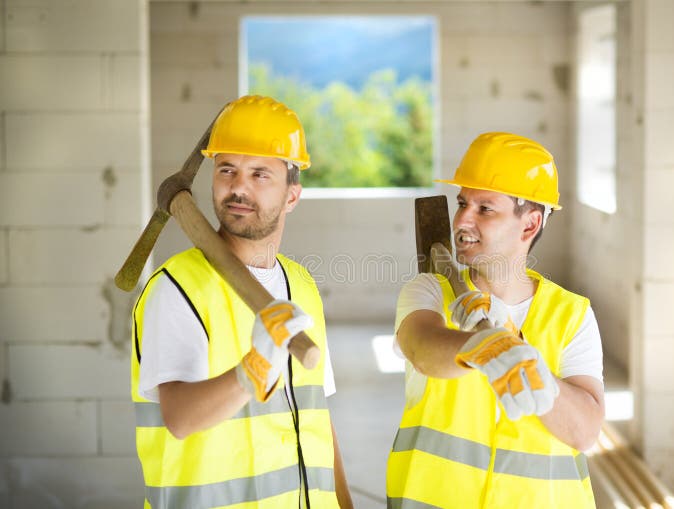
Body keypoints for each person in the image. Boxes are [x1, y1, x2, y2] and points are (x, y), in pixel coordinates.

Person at [130, 95, 353, 509]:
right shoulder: (177, 288)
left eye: (259, 174)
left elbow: (318, 417)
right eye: (226, 170)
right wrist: (251, 372)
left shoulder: (300, 285)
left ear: (292, 195)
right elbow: (179, 418)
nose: (238, 187)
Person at [386, 132, 604, 508]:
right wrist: (481, 347)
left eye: (485, 209)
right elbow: (423, 350)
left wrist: (538, 375)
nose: (463, 220)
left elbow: (584, 432)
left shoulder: (572, 315)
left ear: (529, 225)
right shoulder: (431, 292)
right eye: (462, 203)